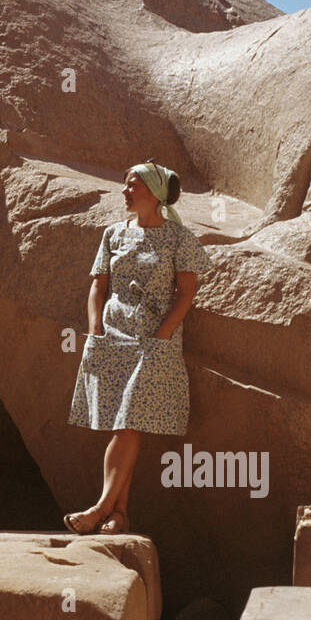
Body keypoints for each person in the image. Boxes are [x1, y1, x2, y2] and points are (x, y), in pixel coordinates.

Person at [64, 160, 213, 534]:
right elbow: (98, 285)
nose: (125, 190)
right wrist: (95, 327)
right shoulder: (113, 233)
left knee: (127, 424)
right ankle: (120, 514)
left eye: (134, 184)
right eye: (125, 183)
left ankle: (99, 508)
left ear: (155, 192)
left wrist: (163, 336)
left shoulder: (179, 238)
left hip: (153, 340)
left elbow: (186, 293)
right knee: (124, 423)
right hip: (113, 335)